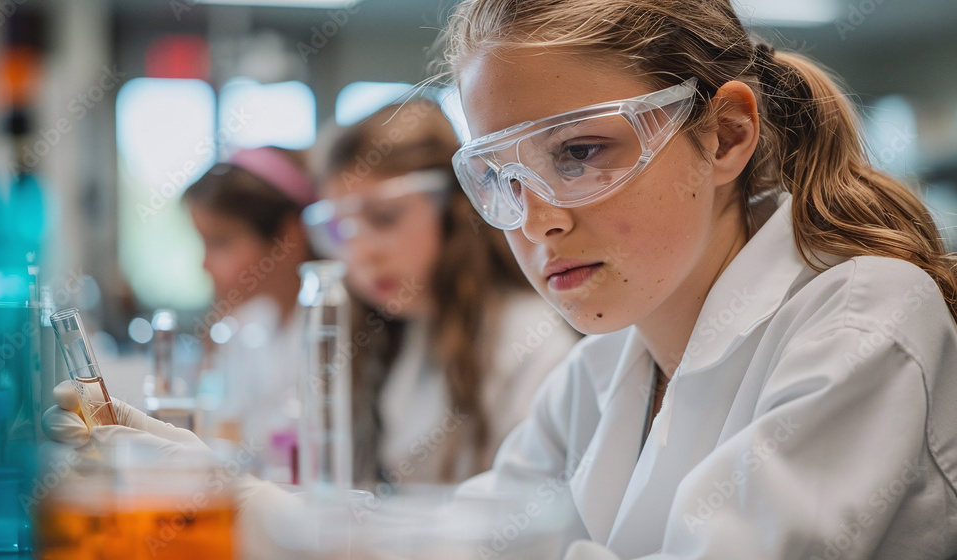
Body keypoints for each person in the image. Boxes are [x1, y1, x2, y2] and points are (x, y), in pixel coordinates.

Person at [438, 0, 957, 558]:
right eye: (500, 177)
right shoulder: (598, 370)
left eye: (579, 153)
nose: (539, 222)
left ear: (726, 135)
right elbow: (466, 537)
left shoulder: (863, 321)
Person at [305, 100, 580, 485]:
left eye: (385, 217)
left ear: (452, 209)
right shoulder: (405, 332)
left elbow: (529, 521)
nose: (361, 253)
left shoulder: (528, 340)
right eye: (340, 230)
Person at [181, 147, 316, 452]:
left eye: (220, 242)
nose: (204, 265)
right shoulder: (244, 327)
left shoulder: (332, 329)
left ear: (288, 237)